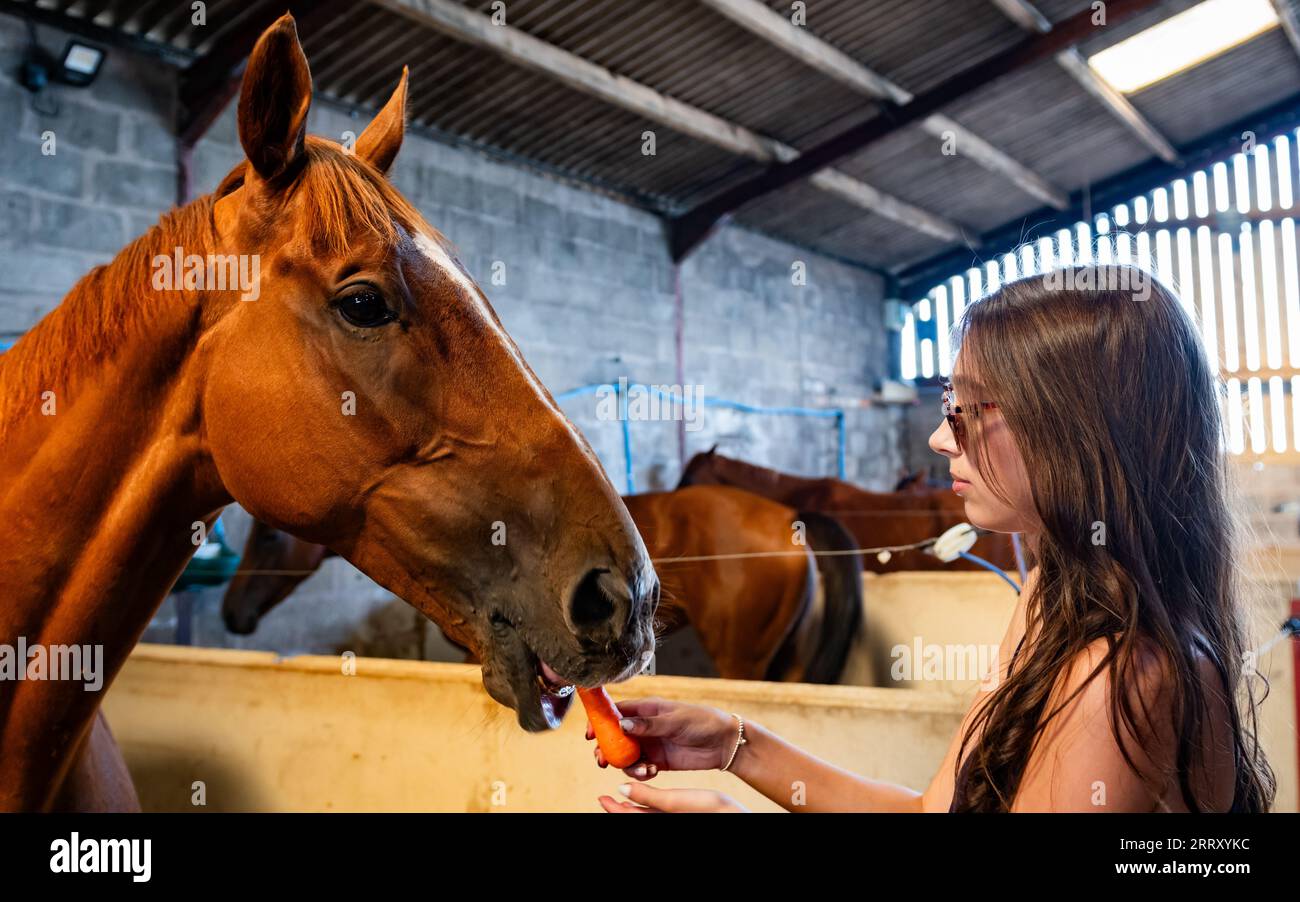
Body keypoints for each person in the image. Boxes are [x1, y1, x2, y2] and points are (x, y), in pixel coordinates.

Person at [591, 264, 1275, 813]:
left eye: (969, 409)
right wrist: (736, 743)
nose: (940, 436)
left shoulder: (1124, 673)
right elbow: (930, 811)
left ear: (1076, 431)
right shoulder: (1049, 598)